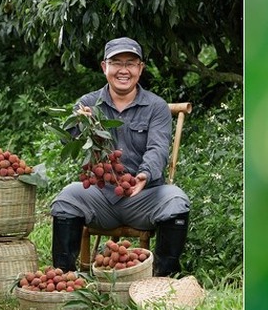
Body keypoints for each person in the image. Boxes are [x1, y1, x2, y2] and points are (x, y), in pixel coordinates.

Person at [49, 37, 191, 277]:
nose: (123, 70)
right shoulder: (88, 103)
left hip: (144, 197)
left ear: (140, 69)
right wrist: (78, 123)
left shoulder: (155, 107)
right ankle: (64, 277)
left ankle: (162, 278)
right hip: (100, 196)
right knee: (66, 199)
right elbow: (68, 142)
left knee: (176, 200)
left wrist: (144, 175)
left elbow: (158, 149)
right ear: (105, 67)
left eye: (131, 63)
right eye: (116, 63)